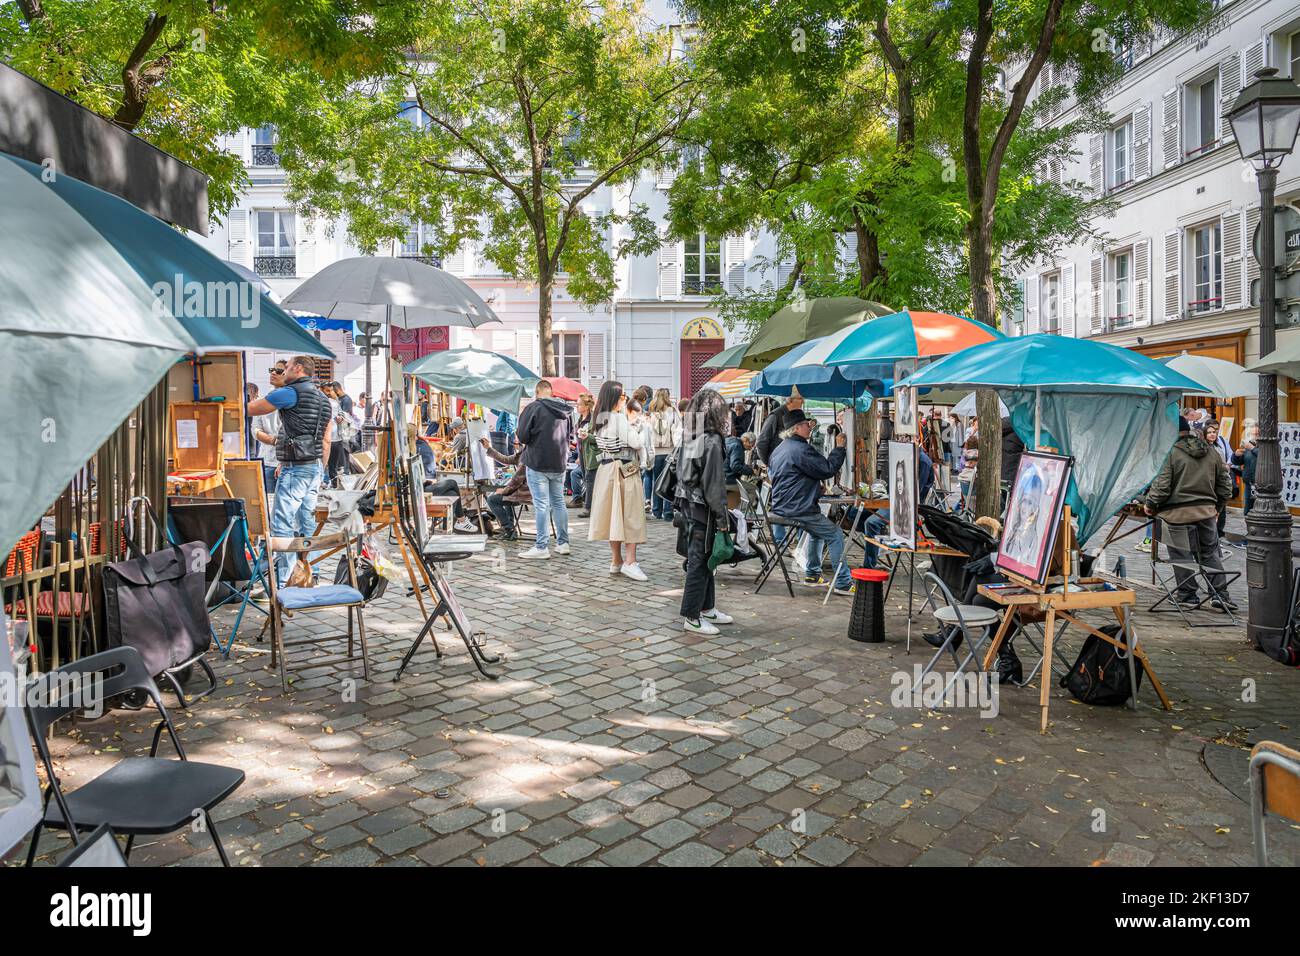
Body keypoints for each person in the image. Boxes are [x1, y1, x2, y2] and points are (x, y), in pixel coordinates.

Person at [247, 355, 334, 584]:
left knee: (282, 523)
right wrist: (320, 469)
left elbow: (252, 409)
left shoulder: (290, 392)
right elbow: (325, 439)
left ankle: (285, 579)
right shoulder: (323, 398)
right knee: (307, 521)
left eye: (284, 368)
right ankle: (310, 572)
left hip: (297, 468)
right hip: (313, 465)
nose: (281, 372)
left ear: (297, 368)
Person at [1141, 416, 1236, 612]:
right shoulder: (1211, 452)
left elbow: (1162, 486)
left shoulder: (1172, 453)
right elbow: (1225, 487)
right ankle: (1220, 595)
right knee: (1210, 553)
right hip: (1206, 512)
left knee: (1181, 555)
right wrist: (1216, 508)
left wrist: (1150, 504)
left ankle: (1188, 595)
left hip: (1177, 513)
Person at [767, 409, 853, 594]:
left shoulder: (781, 448)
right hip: (796, 508)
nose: (810, 427)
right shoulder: (800, 449)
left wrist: (812, 486)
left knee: (817, 532)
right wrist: (839, 448)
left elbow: (790, 476)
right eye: (807, 424)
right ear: (797, 428)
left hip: (783, 505)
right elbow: (827, 469)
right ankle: (843, 583)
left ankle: (813, 574)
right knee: (835, 534)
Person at [675, 388, 735, 634]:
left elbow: (686, 476)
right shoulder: (711, 440)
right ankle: (692, 616)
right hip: (703, 510)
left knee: (704, 559)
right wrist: (723, 520)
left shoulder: (691, 436)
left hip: (689, 506)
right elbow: (714, 485)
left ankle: (706, 608)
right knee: (700, 561)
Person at [587, 380, 648, 580]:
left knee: (613, 515)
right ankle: (630, 561)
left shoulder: (599, 419)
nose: (625, 399)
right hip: (624, 468)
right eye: (623, 396)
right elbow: (636, 443)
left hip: (606, 469)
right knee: (631, 514)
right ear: (615, 398)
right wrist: (641, 429)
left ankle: (616, 560)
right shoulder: (618, 419)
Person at [514, 379, 573, 559]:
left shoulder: (533, 408)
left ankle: (541, 546)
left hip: (538, 461)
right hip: (559, 463)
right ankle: (563, 543)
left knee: (541, 505)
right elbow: (570, 436)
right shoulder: (566, 411)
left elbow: (522, 436)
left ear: (537, 392)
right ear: (551, 392)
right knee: (558, 502)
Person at [480, 438, 530, 541]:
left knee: (492, 500)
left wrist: (504, 490)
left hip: (525, 493)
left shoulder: (527, 456)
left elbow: (517, 480)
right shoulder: (524, 453)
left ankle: (509, 529)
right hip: (522, 490)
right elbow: (506, 459)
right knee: (506, 497)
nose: (515, 441)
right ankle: (509, 527)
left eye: (517, 440)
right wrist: (488, 448)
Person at [648, 388, 682, 520]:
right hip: (669, 451)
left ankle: (656, 510)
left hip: (655, 452)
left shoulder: (652, 413)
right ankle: (668, 512)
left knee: (656, 481)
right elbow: (678, 431)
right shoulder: (673, 412)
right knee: (668, 481)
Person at [250, 365, 283, 492]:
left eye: (279, 371)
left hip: (287, 463)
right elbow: (255, 429)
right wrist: (273, 440)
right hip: (267, 460)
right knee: (268, 502)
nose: (273, 372)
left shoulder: (294, 399)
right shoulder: (265, 399)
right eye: (271, 370)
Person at [1203, 419, 1234, 553]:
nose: (1212, 434)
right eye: (1209, 432)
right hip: (1209, 484)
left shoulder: (1219, 447)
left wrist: (1226, 467)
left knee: (1219, 512)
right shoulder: (1204, 448)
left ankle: (1218, 537)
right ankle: (1212, 541)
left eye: (1214, 432)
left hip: (1220, 483)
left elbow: (1224, 462)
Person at [756, 391, 805, 464]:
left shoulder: (794, 414)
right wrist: (768, 463)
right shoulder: (775, 415)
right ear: (790, 400)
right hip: (777, 463)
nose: (803, 401)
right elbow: (761, 443)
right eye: (800, 399)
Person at [627, 399, 655, 510]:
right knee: (633, 484)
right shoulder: (626, 424)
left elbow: (648, 444)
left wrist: (649, 460)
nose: (636, 415)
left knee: (635, 484)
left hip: (636, 459)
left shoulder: (645, 425)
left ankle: (635, 508)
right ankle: (634, 508)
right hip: (632, 459)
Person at [1233, 424, 1259, 524]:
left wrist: (1252, 448)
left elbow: (1264, 457)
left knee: (1260, 511)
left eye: (1257, 434)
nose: (1255, 436)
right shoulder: (1249, 446)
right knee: (1248, 510)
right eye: (1253, 434)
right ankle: (1250, 533)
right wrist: (1236, 455)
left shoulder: (1266, 446)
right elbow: (1237, 462)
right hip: (1249, 484)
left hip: (1262, 486)